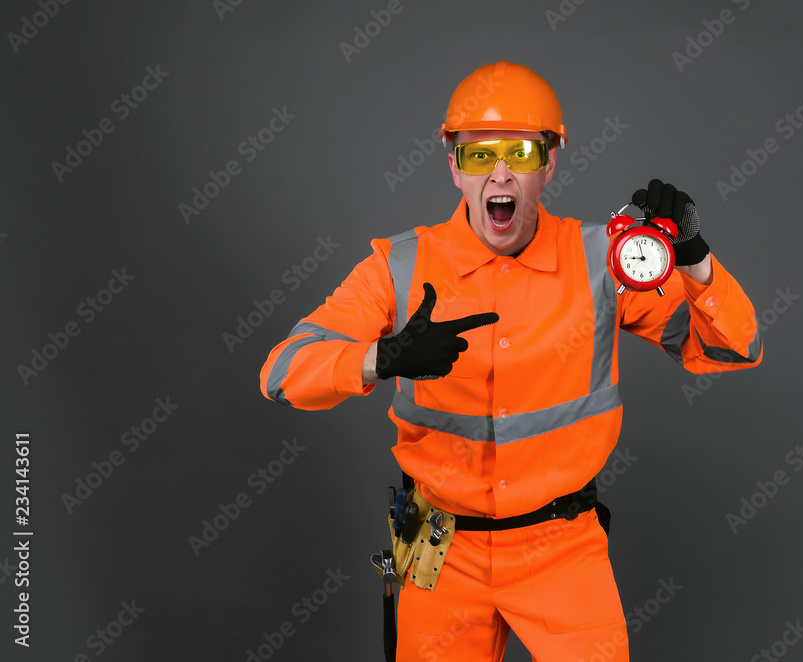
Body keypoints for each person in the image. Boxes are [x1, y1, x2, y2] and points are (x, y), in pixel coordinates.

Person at [260, 60, 761, 661]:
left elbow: (731, 349)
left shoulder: (605, 263)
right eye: (478, 156)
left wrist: (695, 260)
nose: (500, 173)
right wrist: (380, 357)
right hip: (437, 547)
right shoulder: (398, 268)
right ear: (453, 165)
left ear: (549, 162)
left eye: (520, 153)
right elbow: (283, 374)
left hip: (560, 548)